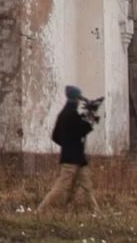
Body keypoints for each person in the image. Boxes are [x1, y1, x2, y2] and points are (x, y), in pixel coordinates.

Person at [39, 85, 99, 214]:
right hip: (73, 159)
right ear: (75, 99)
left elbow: (55, 136)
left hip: (74, 157)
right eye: (78, 99)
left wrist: (67, 145)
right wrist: (90, 119)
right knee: (61, 186)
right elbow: (81, 131)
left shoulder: (64, 114)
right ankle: (41, 209)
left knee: (86, 186)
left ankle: (96, 212)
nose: (79, 101)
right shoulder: (71, 115)